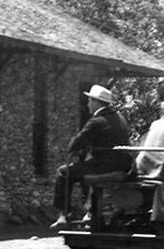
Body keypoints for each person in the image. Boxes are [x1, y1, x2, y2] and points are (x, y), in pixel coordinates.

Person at [52, 84, 132, 222]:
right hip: (124, 165)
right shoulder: (120, 118)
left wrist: (78, 149)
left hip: (104, 166)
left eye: (89, 101)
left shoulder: (96, 122)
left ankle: (64, 214)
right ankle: (92, 212)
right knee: (86, 165)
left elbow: (74, 145)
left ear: (96, 102)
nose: (88, 105)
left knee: (63, 172)